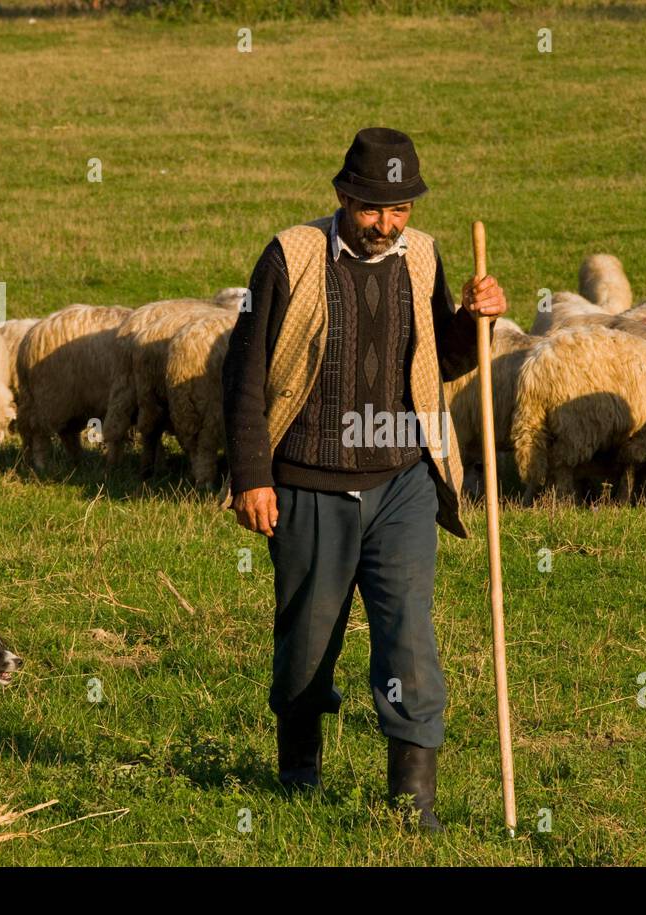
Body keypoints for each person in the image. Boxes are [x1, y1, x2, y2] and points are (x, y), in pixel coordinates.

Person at [221, 127, 508, 829]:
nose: (387, 224)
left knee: (408, 632)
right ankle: (298, 777)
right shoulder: (290, 256)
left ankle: (413, 805)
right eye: (374, 209)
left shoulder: (422, 257)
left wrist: (476, 321)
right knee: (308, 643)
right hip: (309, 481)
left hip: (403, 477)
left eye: (401, 209)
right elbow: (244, 372)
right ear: (343, 196)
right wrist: (253, 475)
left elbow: (439, 361)